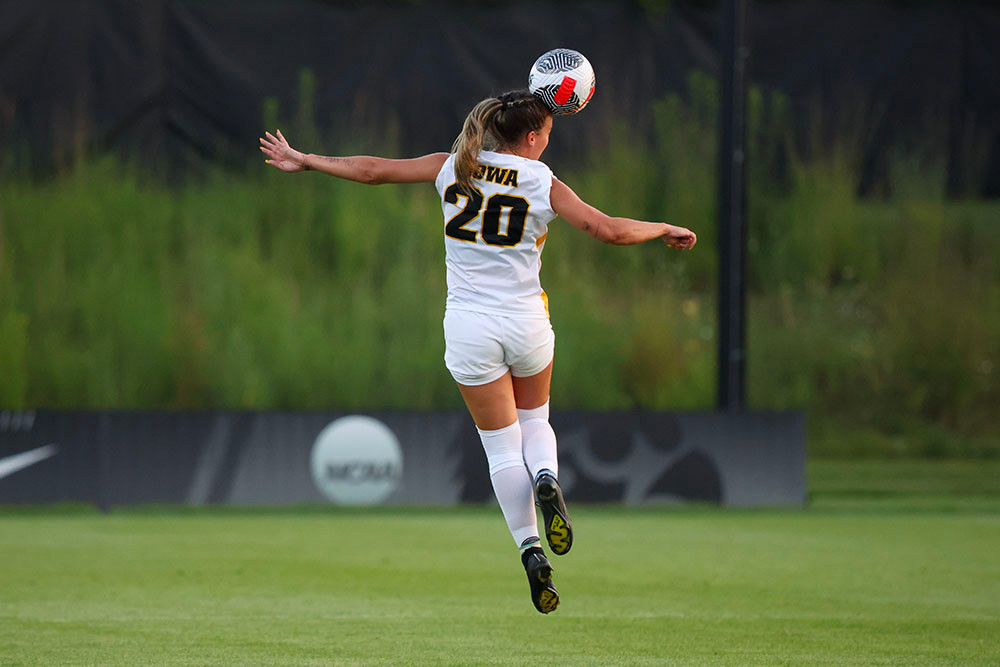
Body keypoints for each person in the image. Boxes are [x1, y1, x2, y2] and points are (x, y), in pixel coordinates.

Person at [259, 89, 697, 614]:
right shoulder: (542, 181)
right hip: (526, 324)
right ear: (531, 138)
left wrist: (306, 159)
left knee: (501, 449)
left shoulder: (453, 166)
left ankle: (531, 551)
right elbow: (607, 230)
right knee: (535, 422)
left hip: (470, 329)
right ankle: (547, 477)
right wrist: (663, 228)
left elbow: (372, 170)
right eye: (547, 135)